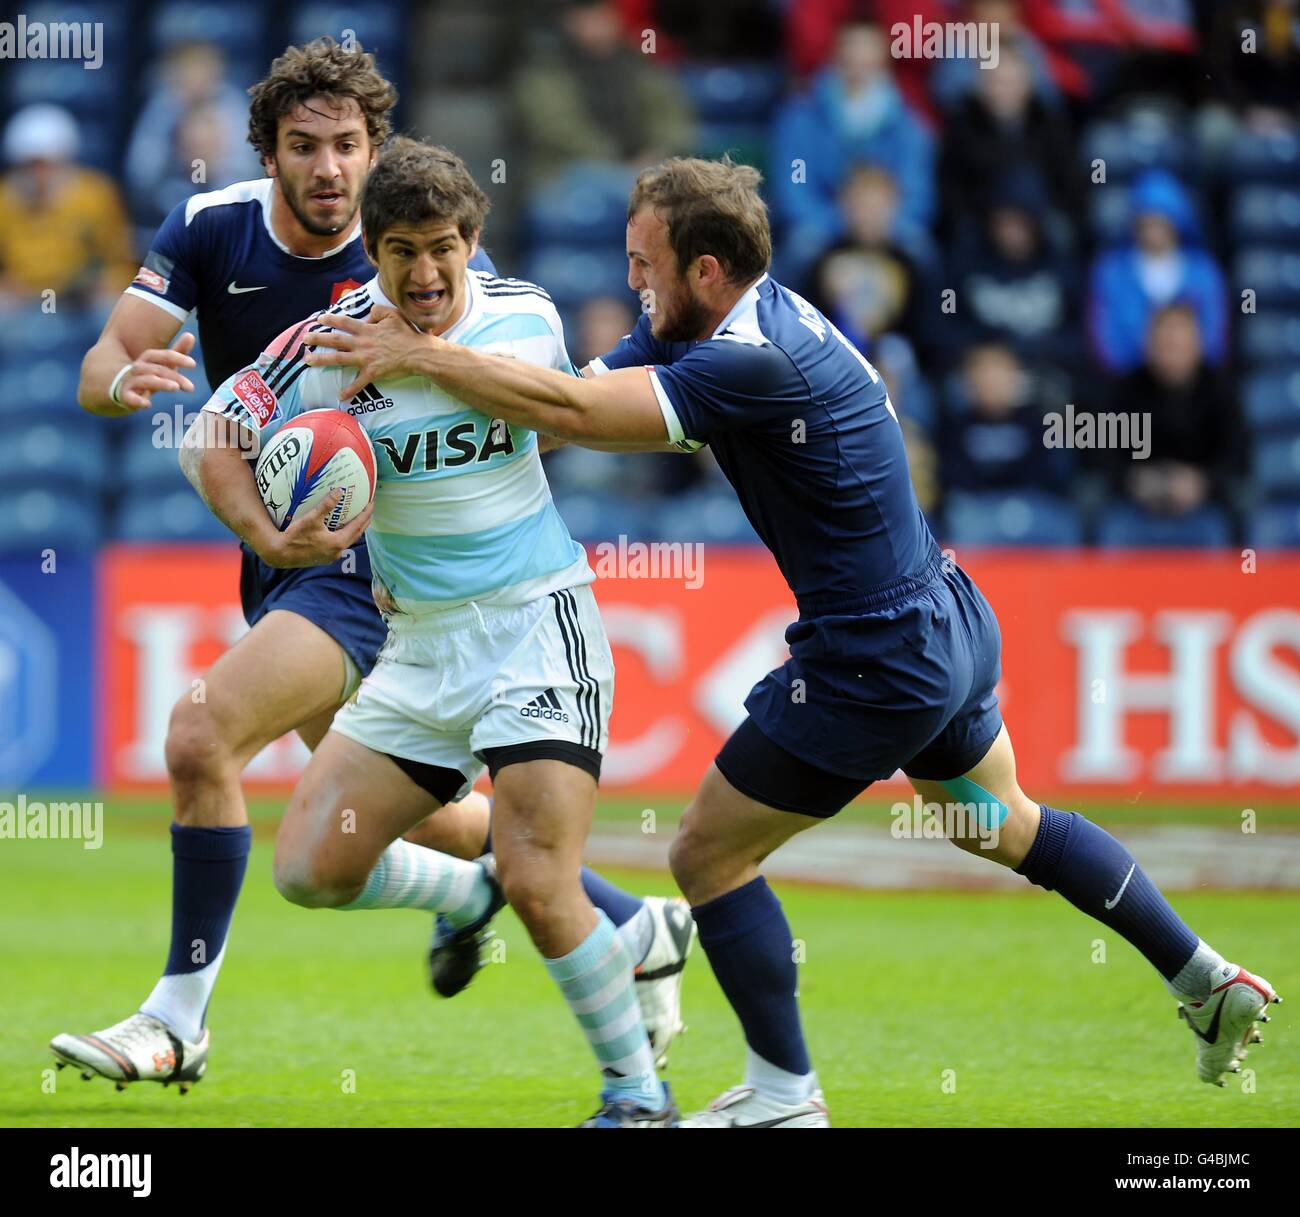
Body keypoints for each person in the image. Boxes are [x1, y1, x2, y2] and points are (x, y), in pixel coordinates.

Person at [306, 156, 1281, 1127]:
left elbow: (574, 413)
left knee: (704, 853)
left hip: (877, 653)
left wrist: (425, 356)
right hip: (945, 613)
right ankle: (1202, 973)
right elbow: (566, 399)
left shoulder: (748, 362)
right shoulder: (740, 316)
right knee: (997, 820)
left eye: (645, 263)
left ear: (704, 271)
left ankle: (783, 1093)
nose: (631, 281)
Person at [56, 38, 690, 1095]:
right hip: (290, 543)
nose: (328, 169)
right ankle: (613, 916)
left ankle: (176, 1018)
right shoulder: (216, 232)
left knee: (199, 731)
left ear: (376, 152)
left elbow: (531, 398)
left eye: (348, 145)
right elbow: (114, 369)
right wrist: (120, 386)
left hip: (369, 564)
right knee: (410, 828)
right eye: (304, 147)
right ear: (270, 154)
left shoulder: (431, 260)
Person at [197, 138, 677, 1127]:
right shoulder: (324, 343)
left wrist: (416, 356)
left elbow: (560, 413)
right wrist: (266, 536)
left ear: (474, 243)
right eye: (400, 250)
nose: (423, 273)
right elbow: (217, 428)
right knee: (309, 869)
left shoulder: (526, 319)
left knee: (548, 876)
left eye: (444, 249)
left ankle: (638, 1096)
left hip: (535, 625)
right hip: (416, 645)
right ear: (370, 250)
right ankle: (473, 892)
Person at [0, 104, 135, 309]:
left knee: (109, 309)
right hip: (24, 298)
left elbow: (119, 259)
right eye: (30, 165)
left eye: (45, 165)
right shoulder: (5, 199)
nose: (39, 175)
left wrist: (103, 282)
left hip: (82, 297)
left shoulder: (95, 195)